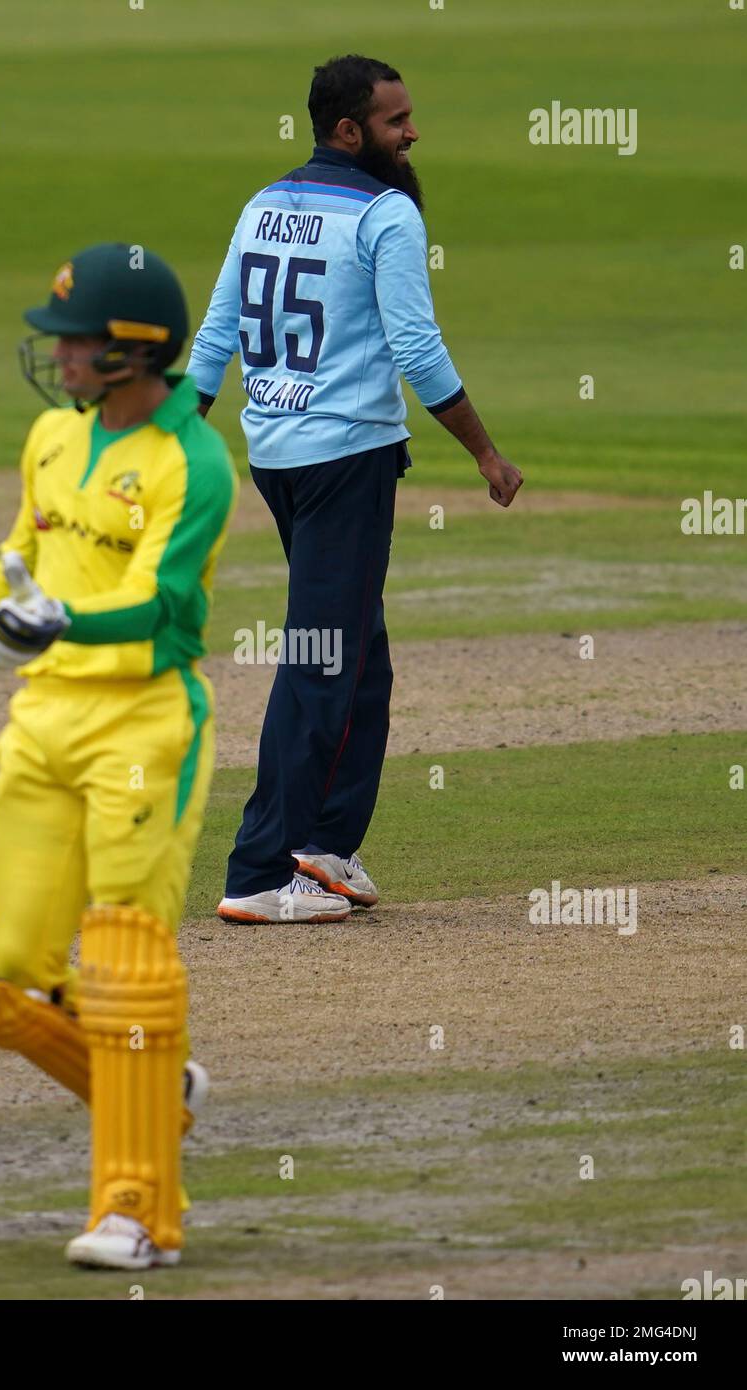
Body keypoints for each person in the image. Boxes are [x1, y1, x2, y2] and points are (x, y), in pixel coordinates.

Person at [0, 242, 238, 1270]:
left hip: (144, 724)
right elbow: (9, 572)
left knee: (125, 968)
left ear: (131, 350)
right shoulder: (49, 439)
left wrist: (63, 620)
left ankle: (138, 1209)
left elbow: (162, 602)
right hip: (42, 724)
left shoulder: (190, 461)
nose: (56, 355)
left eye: (74, 340)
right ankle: (156, 1084)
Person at [187, 55, 523, 925]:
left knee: (357, 649)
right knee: (322, 658)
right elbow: (417, 348)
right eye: (395, 120)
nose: (413, 133)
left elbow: (219, 326)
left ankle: (326, 848)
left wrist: (184, 425)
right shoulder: (386, 212)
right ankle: (263, 869)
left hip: (277, 451)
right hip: (347, 458)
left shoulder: (266, 202)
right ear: (349, 131)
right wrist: (486, 453)